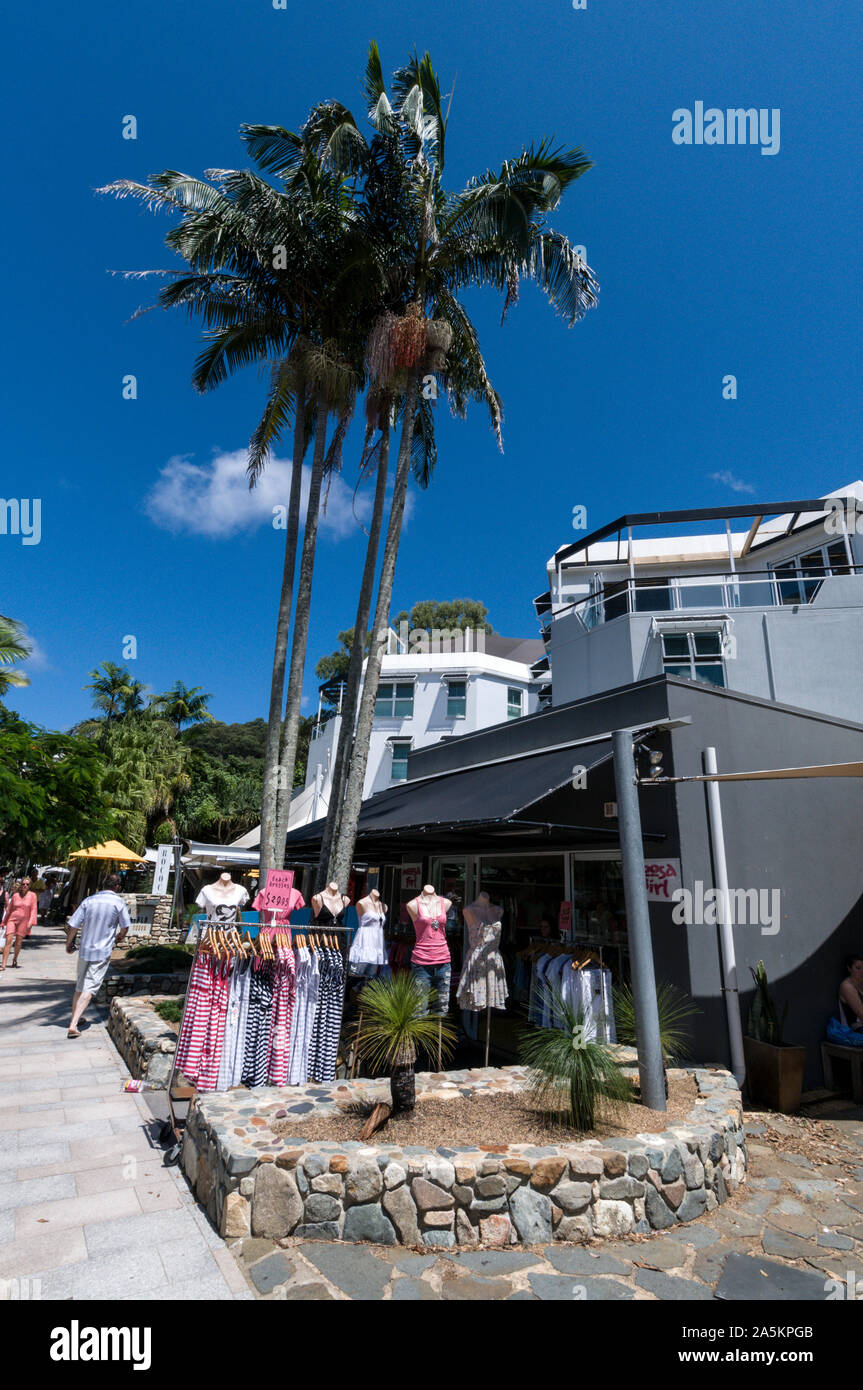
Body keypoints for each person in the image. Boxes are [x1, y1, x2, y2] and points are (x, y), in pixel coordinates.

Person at [65, 873, 130, 1038]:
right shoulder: (118, 902)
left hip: (85, 949)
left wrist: (69, 943)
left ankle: (75, 1018)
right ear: (117, 887)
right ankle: (73, 1024)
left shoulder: (89, 900)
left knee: (80, 985)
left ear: (103, 884)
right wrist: (120, 936)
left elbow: (73, 924)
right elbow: (125, 926)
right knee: (90, 987)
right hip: (102, 951)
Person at [1, 877, 38, 970]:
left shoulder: (33, 895)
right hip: (12, 919)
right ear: (20, 885)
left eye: (27, 884)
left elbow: (34, 910)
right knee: (8, 940)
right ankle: (3, 964)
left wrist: (31, 922)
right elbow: (9, 910)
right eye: (23, 884)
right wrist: (4, 921)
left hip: (24, 921)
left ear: (29, 886)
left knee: (18, 942)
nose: (25, 886)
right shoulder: (15, 895)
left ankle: (14, 959)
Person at [838, 954, 863, 1032]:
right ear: (849, 969)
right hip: (855, 1028)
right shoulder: (847, 986)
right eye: (858, 968)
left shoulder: (861, 984)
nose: (862, 971)